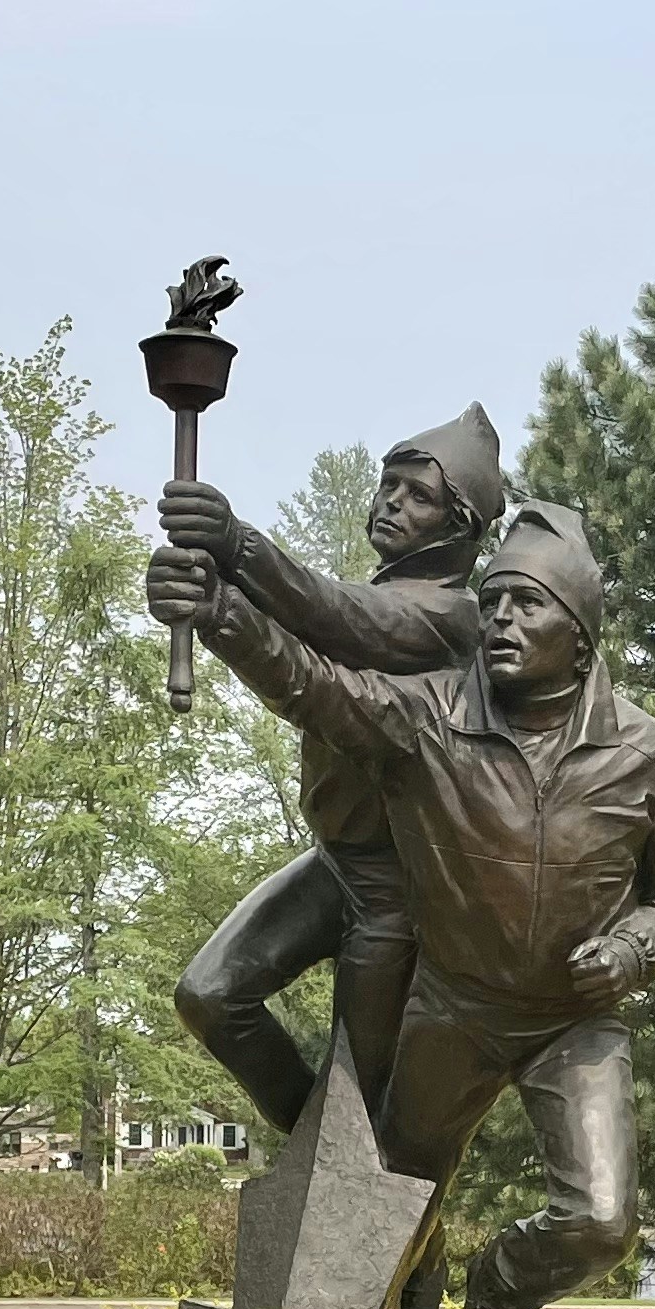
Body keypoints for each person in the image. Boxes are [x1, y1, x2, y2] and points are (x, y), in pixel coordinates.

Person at [151, 499, 655, 1309]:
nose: (503, 619)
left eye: (530, 604)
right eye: (496, 601)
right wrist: (220, 614)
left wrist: (633, 950)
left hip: (572, 1024)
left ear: (581, 636)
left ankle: (496, 1292)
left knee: (600, 1222)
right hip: (453, 1013)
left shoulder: (643, 753)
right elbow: (317, 685)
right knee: (380, 1223)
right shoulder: (430, 717)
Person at [158, 408, 506, 1139]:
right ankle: (324, 1150)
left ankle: (352, 1172)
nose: (391, 501)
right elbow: (320, 624)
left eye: (418, 495)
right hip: (334, 864)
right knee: (211, 996)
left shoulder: (454, 618)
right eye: (389, 485)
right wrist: (207, 588)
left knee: (359, 1111)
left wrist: (232, 558)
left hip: (399, 895)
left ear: (460, 525)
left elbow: (337, 621)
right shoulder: (388, 600)